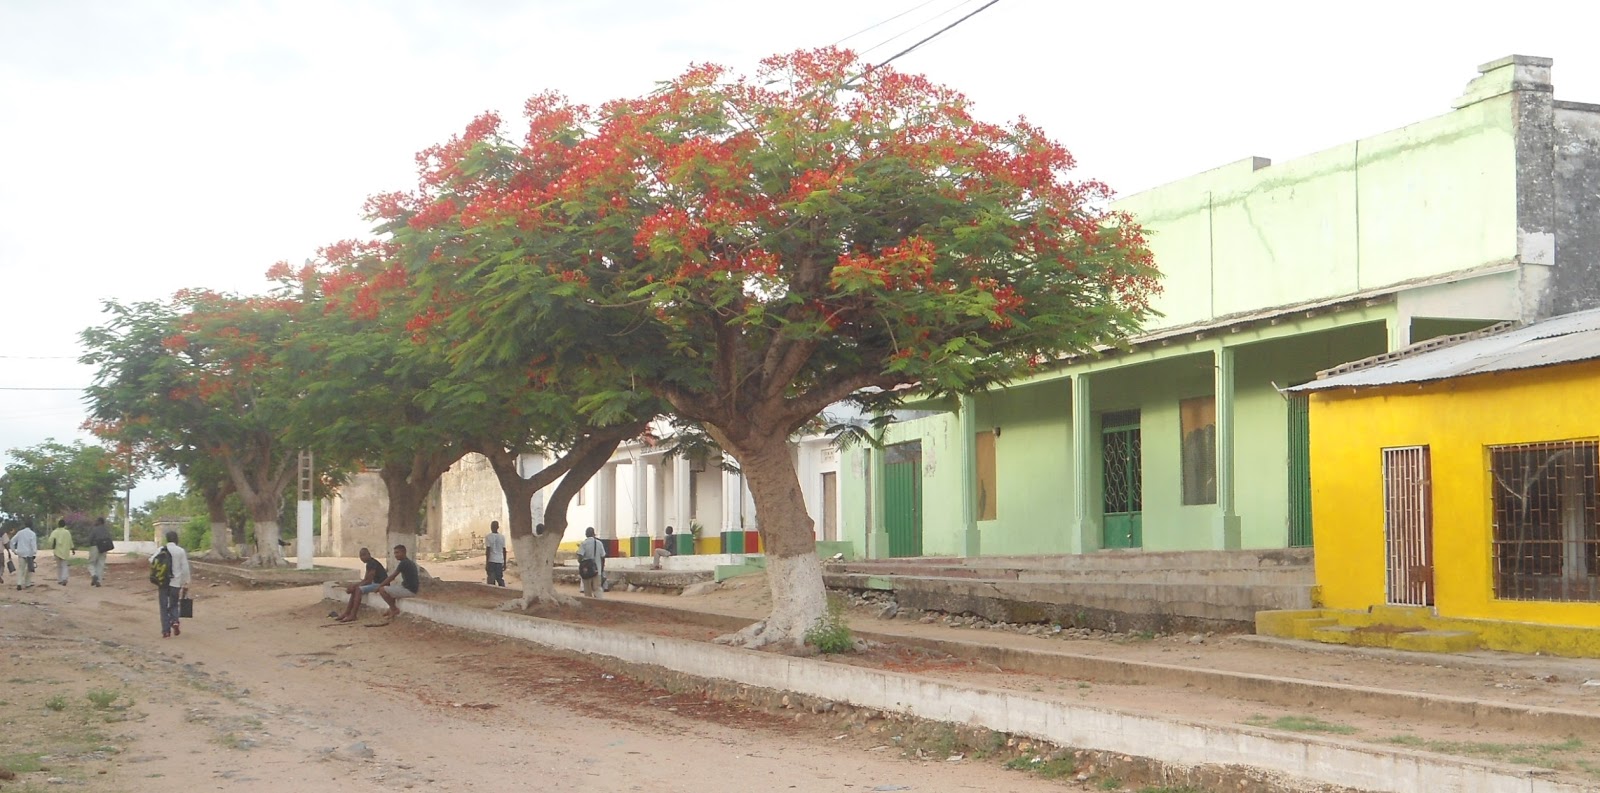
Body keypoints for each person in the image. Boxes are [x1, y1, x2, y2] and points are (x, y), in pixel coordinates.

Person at [153, 530, 191, 638]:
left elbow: (151, 560)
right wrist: (186, 581)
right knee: (174, 604)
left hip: (162, 582)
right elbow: (185, 568)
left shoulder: (161, 549)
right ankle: (175, 621)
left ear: (167, 539)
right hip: (175, 582)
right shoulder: (180, 551)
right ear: (176, 539)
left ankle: (165, 631)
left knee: (163, 606)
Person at [335, 547, 387, 622]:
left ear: (369, 554)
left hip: (381, 584)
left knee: (358, 590)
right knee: (355, 589)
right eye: (360, 556)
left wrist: (356, 586)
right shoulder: (369, 564)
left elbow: (368, 581)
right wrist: (354, 586)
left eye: (364, 555)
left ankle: (353, 614)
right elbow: (366, 579)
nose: (362, 558)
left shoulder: (373, 563)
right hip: (375, 583)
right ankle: (347, 612)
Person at [375, 544, 420, 619]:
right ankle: (390, 609)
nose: (395, 555)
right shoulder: (408, 562)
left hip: (409, 590)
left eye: (397, 553)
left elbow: (392, 577)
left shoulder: (404, 563)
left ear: (404, 552)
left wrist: (379, 586)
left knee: (382, 590)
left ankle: (394, 609)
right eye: (395, 553)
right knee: (391, 591)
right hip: (409, 588)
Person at [577, 527, 606, 598]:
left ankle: (589, 605)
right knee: (597, 589)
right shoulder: (599, 543)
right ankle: (599, 604)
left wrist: (581, 562)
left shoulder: (584, 544)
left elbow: (580, 557)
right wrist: (601, 569)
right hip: (597, 570)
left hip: (586, 571)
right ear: (594, 534)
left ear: (586, 534)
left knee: (587, 591)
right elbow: (603, 556)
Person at [10, 520, 37, 590]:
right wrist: (34, 553)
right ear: (31, 525)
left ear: (25, 525)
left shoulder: (20, 533)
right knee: (29, 569)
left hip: (21, 553)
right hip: (29, 554)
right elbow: (33, 544)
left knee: (21, 569)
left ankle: (19, 583)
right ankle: (27, 583)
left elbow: (12, 541)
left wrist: (14, 550)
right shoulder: (32, 534)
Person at [86, 516, 113, 587]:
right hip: (104, 548)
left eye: (96, 521)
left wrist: (87, 544)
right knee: (101, 564)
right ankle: (98, 581)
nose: (95, 522)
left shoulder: (95, 529)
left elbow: (90, 539)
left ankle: (94, 575)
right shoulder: (107, 530)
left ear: (99, 522)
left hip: (95, 546)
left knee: (91, 563)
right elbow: (110, 538)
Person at [47, 519, 74, 587]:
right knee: (64, 565)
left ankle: (60, 580)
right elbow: (70, 541)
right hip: (65, 551)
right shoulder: (67, 532)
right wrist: (72, 549)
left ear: (58, 525)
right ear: (64, 525)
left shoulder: (55, 532)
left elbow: (50, 540)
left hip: (57, 551)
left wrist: (52, 545)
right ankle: (64, 578)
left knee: (59, 566)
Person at [484, 520, 507, 587]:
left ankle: (492, 593)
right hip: (499, 560)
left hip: (491, 560)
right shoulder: (502, 537)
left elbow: (488, 550)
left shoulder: (488, 536)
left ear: (491, 527)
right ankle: (503, 592)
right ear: (498, 527)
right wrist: (504, 562)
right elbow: (504, 550)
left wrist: (487, 562)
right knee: (500, 578)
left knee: (491, 579)